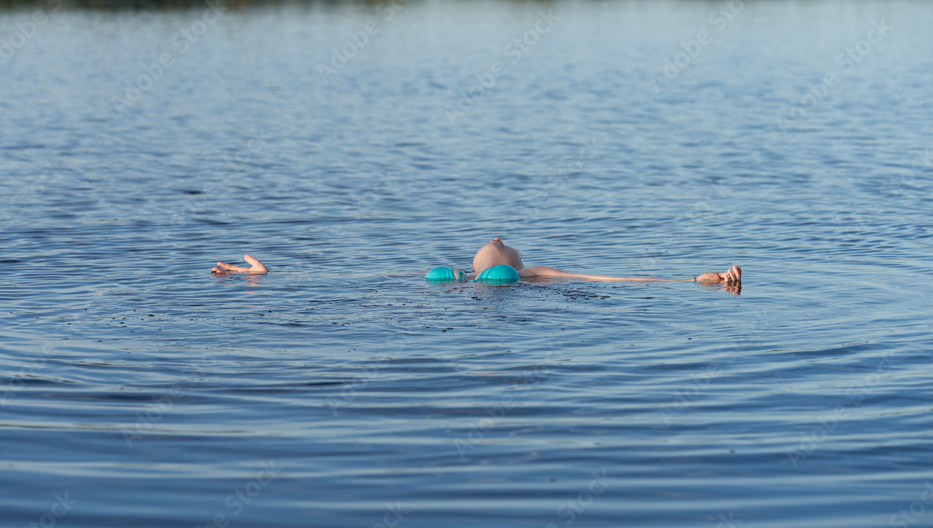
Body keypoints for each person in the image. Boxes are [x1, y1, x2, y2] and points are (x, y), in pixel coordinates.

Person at [211, 237, 741, 288]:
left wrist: (258, 276)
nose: (498, 236)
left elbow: (346, 279)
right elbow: (616, 279)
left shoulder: (458, 274)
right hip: (502, 290)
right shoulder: (534, 273)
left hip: (455, 291)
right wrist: (696, 279)